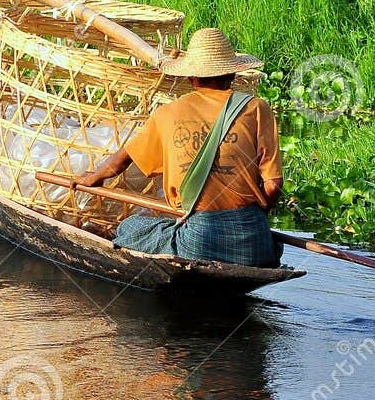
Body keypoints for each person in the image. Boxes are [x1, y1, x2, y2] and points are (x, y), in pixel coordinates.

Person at [74, 27, 283, 267]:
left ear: (190, 77)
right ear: (233, 74)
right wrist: (251, 222)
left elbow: (121, 161)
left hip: (197, 241)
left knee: (130, 227)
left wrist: (93, 178)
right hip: (256, 246)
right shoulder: (257, 108)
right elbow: (273, 184)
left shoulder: (167, 114)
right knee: (273, 245)